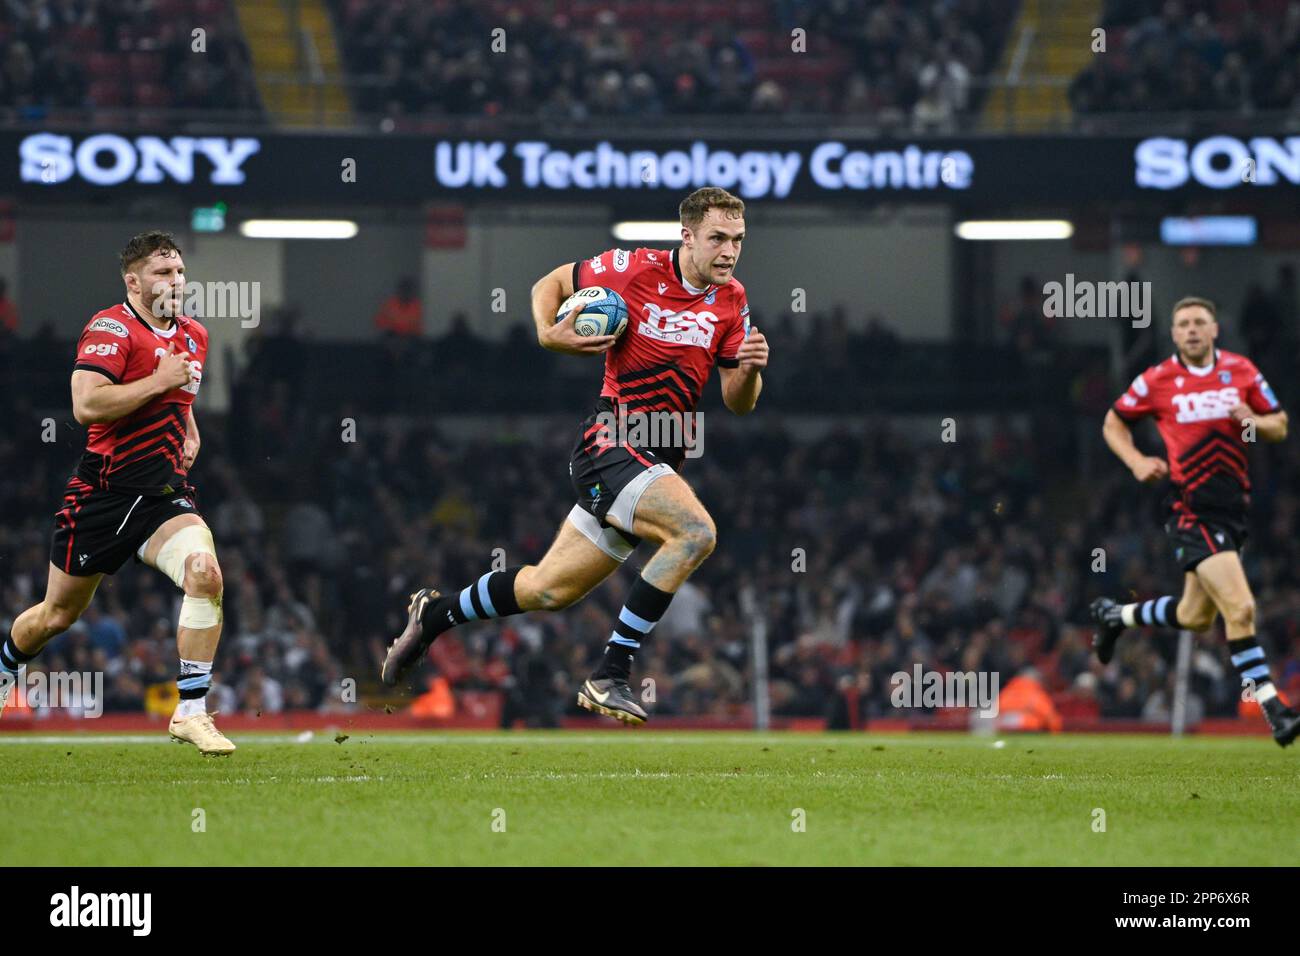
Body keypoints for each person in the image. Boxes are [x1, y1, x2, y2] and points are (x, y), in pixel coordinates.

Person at [381, 187, 769, 724]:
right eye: (718, 238)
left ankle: (435, 615)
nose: (729, 251)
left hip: (658, 462)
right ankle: (611, 672)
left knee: (549, 588)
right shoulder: (632, 269)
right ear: (688, 236)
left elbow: (738, 402)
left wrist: (748, 369)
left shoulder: (732, 301)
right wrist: (547, 333)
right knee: (696, 532)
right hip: (612, 442)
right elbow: (553, 282)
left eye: (738, 240)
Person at [0, 232, 234, 754]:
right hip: (102, 497)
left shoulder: (194, 333)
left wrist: (189, 427)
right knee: (55, 617)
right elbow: (87, 406)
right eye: (161, 273)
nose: (174, 281)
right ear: (133, 281)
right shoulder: (112, 328)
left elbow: (180, 394)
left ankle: (191, 712)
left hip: (161, 496)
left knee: (205, 573)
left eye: (178, 272)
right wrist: (158, 381)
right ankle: (5, 670)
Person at [1090, 295, 1298, 746]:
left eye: (1199, 322)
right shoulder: (1158, 379)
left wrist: (1253, 423)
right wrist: (1135, 461)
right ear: (1173, 333)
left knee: (1195, 615)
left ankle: (1115, 616)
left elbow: (1280, 425)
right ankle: (1274, 709)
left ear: (1215, 329)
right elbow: (1112, 422)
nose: (1191, 330)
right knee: (1240, 609)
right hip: (1190, 508)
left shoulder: (1241, 371)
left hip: (1232, 509)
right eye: (1182, 323)